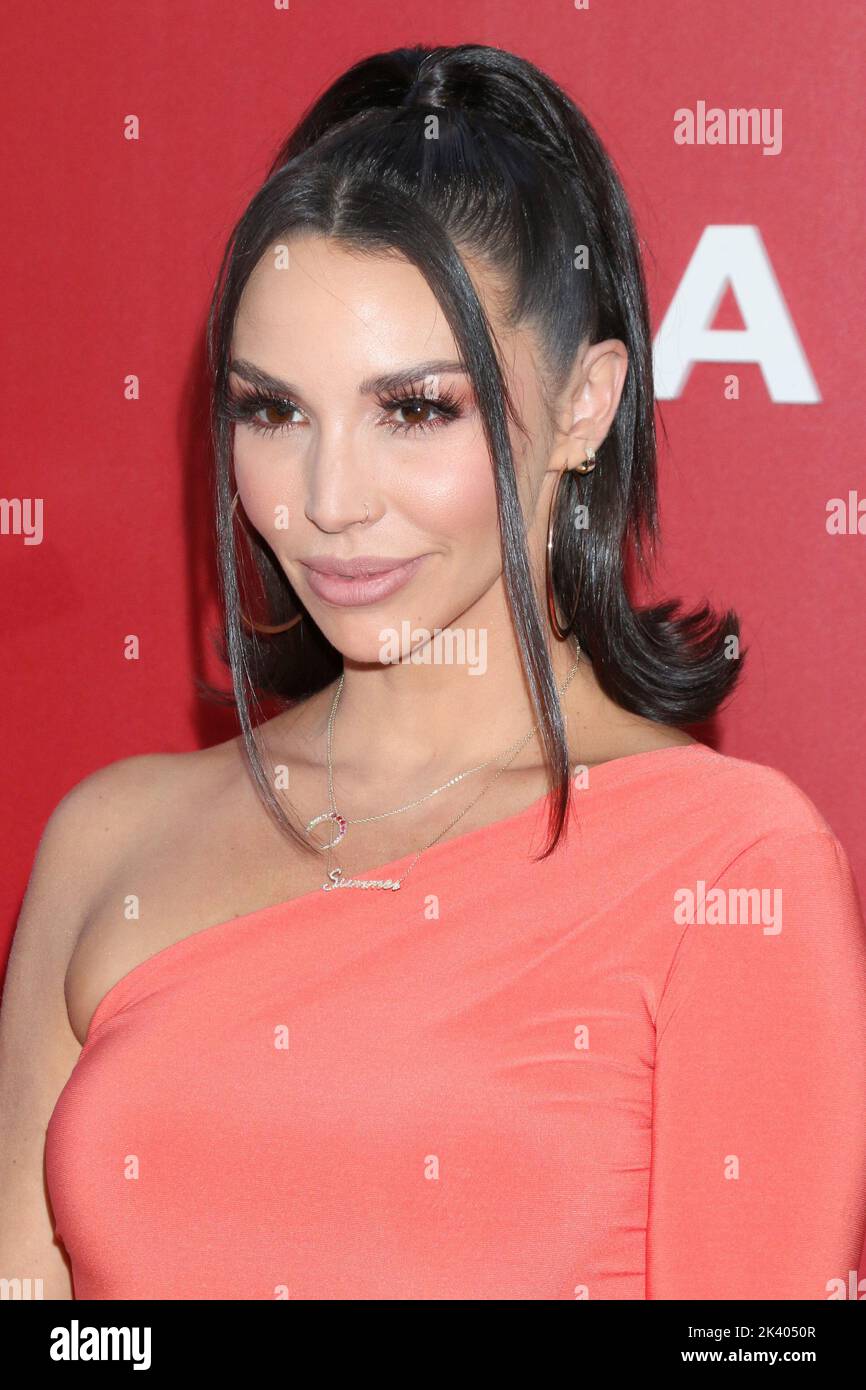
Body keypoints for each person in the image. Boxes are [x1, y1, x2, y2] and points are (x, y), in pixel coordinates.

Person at [2, 42, 865, 1301]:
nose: (327, 501)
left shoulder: (732, 866)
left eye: (415, 409)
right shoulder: (107, 843)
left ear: (585, 405)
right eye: (271, 411)